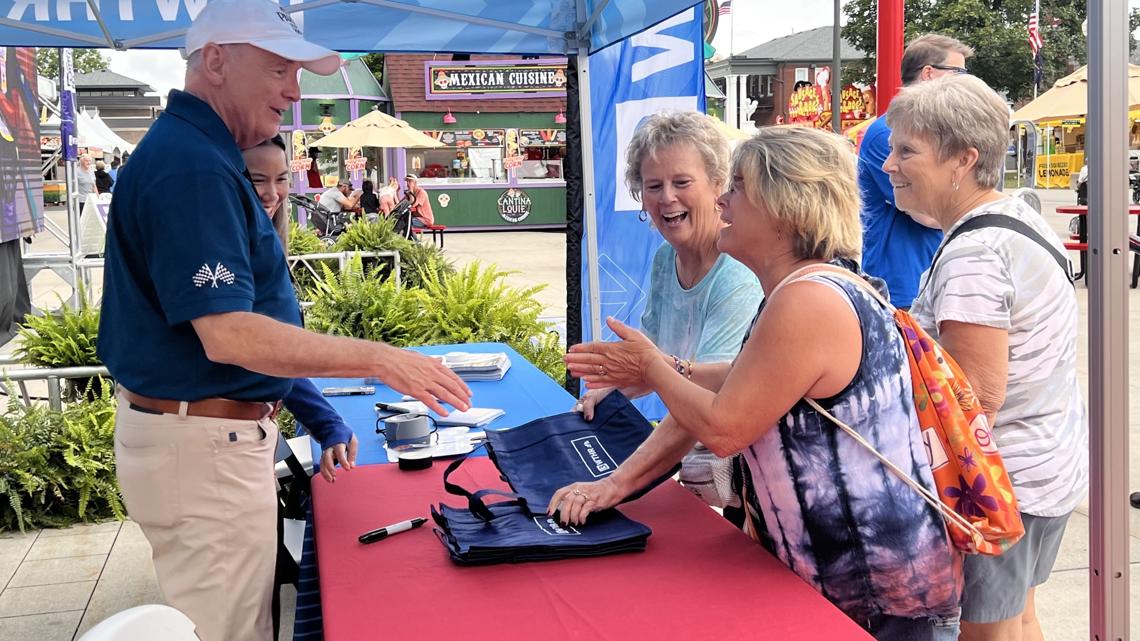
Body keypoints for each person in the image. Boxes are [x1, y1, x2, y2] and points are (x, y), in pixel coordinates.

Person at [97, 2, 471, 640]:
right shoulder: (192, 164)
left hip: (203, 440)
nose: (295, 92)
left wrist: (321, 405)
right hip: (202, 449)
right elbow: (231, 335)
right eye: (278, 70)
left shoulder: (197, 152)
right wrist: (381, 359)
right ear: (214, 61)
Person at [554, 126, 962, 641]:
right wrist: (659, 370)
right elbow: (754, 378)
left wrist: (653, 368)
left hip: (875, 598)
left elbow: (724, 428)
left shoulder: (805, 300)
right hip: (857, 585)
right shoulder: (808, 286)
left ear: (785, 206)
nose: (723, 198)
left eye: (739, 186)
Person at [884, 74, 1087, 641]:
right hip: (1044, 468)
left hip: (1002, 485)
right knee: (1018, 616)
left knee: (986, 632)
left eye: (907, 151)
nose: (888, 166)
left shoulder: (972, 254)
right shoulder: (1017, 217)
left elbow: (975, 398)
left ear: (962, 160)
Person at [574, 111, 762, 516]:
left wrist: (614, 485)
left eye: (681, 182)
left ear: (717, 184)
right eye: (653, 185)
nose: (666, 198)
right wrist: (613, 388)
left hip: (743, 492)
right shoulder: (665, 259)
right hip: (700, 474)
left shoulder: (738, 274)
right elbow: (656, 363)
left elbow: (703, 403)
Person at [243, 135, 358, 483]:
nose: (271, 193)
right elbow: (266, 352)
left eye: (280, 180)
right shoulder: (225, 254)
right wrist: (382, 360)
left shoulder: (264, 245)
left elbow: (281, 359)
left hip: (252, 433)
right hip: (217, 443)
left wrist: (327, 424)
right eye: (256, 180)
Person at [858, 33, 973, 309]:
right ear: (929, 74)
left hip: (935, 273)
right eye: (958, 72)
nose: (965, 81)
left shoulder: (937, 131)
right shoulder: (886, 133)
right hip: (900, 286)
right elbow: (928, 213)